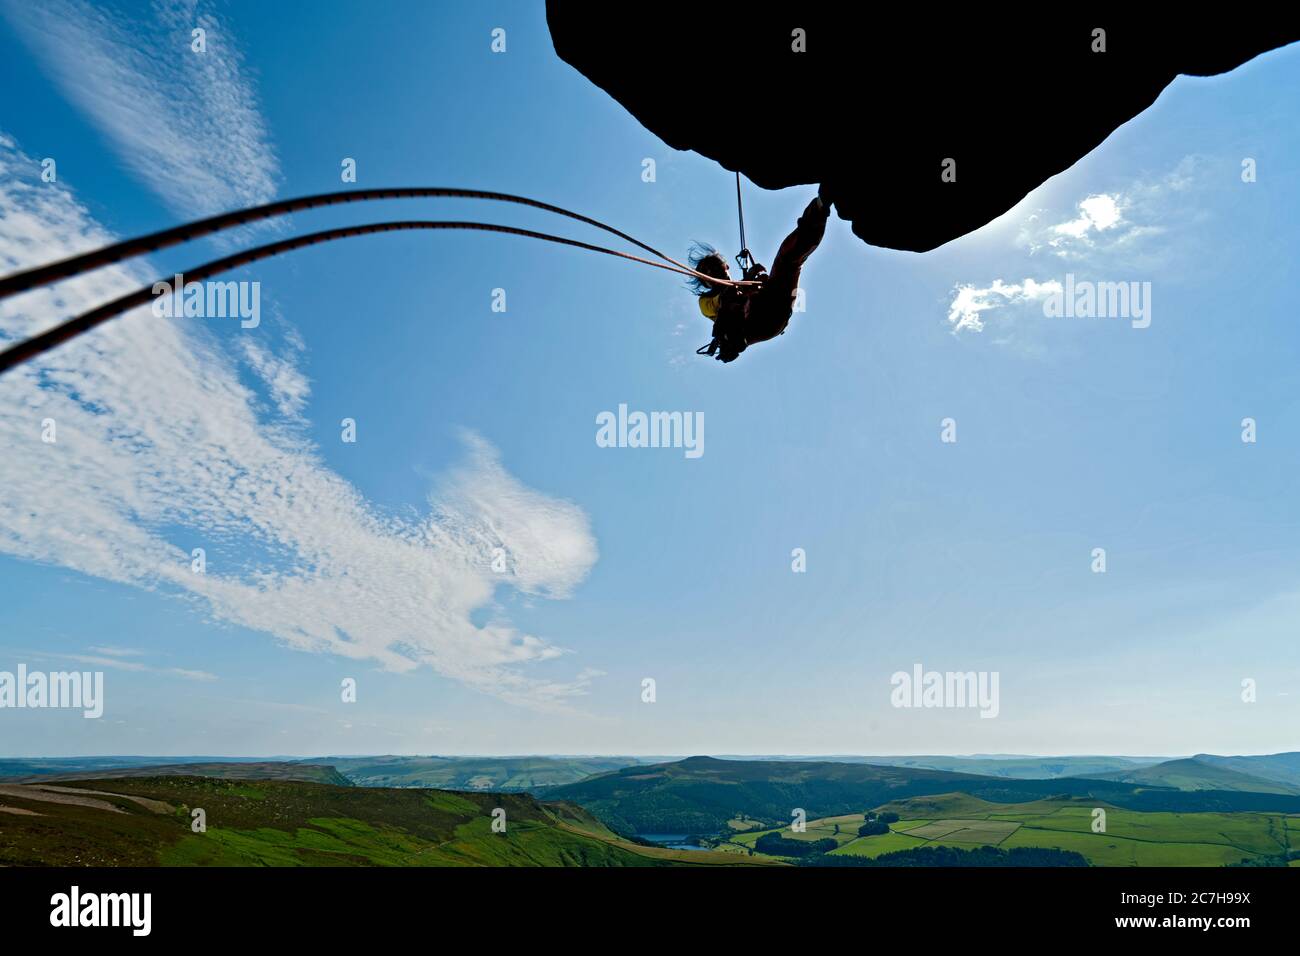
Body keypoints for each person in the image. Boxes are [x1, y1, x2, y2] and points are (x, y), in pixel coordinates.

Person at [691, 188, 831, 363]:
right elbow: (727, 299)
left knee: (787, 258)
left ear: (726, 266)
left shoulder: (743, 285)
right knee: (732, 302)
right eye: (706, 273)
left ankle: (821, 205)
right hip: (758, 324)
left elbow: (740, 293)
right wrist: (749, 283)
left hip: (770, 304)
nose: (711, 272)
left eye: (713, 266)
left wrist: (757, 284)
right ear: (705, 283)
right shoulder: (705, 303)